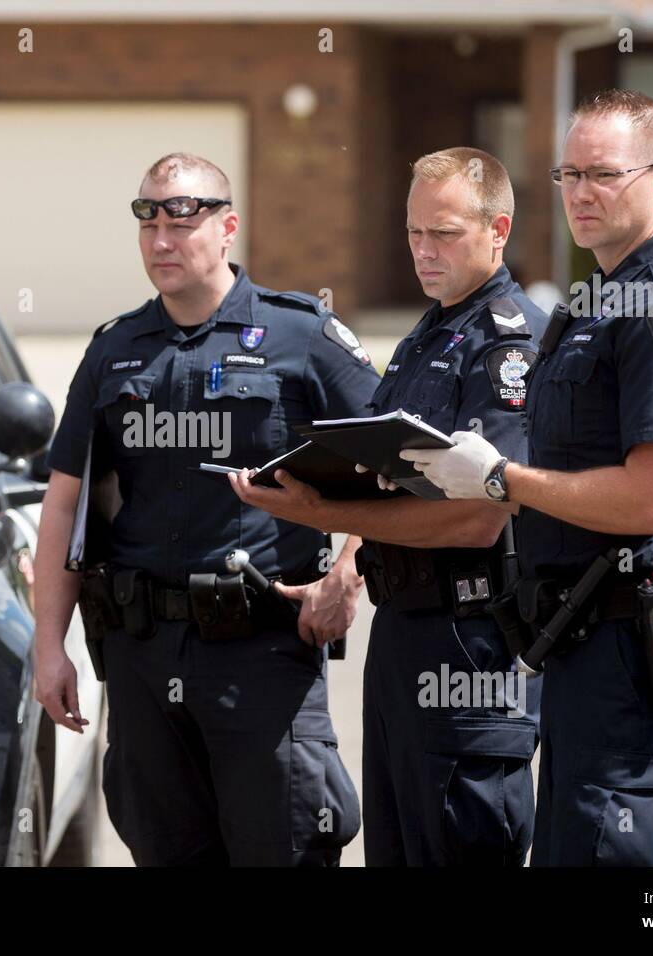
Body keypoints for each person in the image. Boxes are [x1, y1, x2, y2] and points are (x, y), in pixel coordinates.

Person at [402, 91, 653, 866]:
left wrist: (503, 480)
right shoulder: (602, 301)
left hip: (636, 665)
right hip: (585, 655)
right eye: (568, 174)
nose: (580, 194)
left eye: (602, 174)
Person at [32, 152, 379, 865]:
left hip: (263, 657)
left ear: (228, 228)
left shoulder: (301, 336)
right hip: (140, 660)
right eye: (148, 220)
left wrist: (348, 571)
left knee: (281, 846)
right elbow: (64, 503)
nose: (162, 239)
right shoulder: (113, 351)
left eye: (182, 220)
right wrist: (48, 647)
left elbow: (395, 463)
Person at [231, 147, 547, 865]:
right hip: (406, 631)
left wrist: (325, 516)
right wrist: (346, 560)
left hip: (471, 639)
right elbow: (387, 474)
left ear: (498, 229)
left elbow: (478, 513)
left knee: (461, 840)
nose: (423, 251)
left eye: (444, 233)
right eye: (413, 233)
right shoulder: (428, 334)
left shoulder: (506, 345)